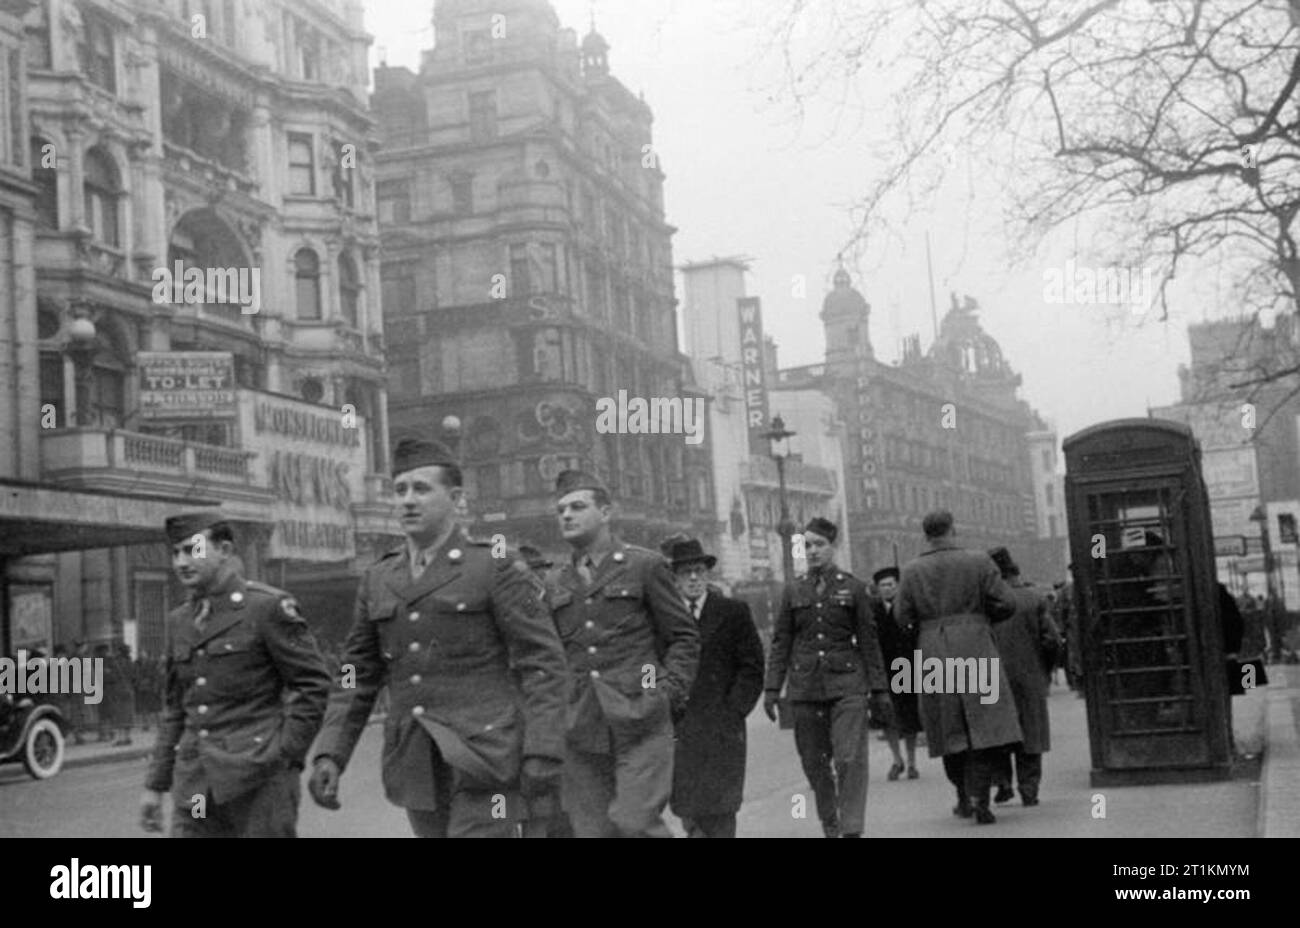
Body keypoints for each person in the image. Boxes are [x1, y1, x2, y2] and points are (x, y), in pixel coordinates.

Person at [309, 438, 568, 838]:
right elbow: (355, 675)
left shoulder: (495, 567)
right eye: (400, 491)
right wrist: (331, 752)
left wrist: (543, 749)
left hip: (488, 760)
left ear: (457, 498)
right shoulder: (379, 578)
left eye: (422, 489)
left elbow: (544, 663)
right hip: (416, 763)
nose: (408, 501)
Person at [140, 513, 332, 837]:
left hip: (258, 785)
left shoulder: (267, 608)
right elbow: (176, 709)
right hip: (197, 790)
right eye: (176, 553)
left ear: (225, 550)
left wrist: (286, 756)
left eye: (192, 550)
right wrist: (154, 785)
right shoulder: (179, 621)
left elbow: (313, 684)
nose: (181, 562)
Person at [545, 469, 699, 838]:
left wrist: (668, 690)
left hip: (641, 719)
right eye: (562, 509)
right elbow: (550, 653)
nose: (567, 515)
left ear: (606, 512)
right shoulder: (555, 581)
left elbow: (683, 636)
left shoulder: (643, 566)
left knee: (635, 822)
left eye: (578, 506)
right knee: (593, 831)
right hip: (580, 724)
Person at [763, 517, 893, 838]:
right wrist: (771, 687)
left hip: (847, 685)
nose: (812, 551)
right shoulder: (793, 590)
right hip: (805, 688)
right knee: (814, 762)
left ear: (832, 547)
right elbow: (781, 642)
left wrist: (879, 690)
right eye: (806, 545)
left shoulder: (854, 588)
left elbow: (868, 641)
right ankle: (830, 822)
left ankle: (850, 828)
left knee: (849, 758)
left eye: (819, 544)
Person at [894, 510, 1019, 825]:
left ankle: (963, 795)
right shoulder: (979, 562)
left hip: (934, 649)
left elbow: (901, 617)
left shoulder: (911, 571)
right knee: (982, 725)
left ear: (926, 535)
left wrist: (925, 631)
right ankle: (981, 798)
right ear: (953, 530)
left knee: (947, 726)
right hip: (975, 644)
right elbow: (1007, 603)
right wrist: (982, 619)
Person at [665, 537, 765, 838]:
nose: (693, 578)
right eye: (685, 573)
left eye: (698, 570)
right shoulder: (664, 617)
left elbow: (752, 667)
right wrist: (654, 695)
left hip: (722, 725)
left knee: (722, 809)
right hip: (678, 725)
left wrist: (734, 709)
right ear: (675, 579)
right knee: (688, 806)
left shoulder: (733, 612)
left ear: (707, 574)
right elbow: (647, 663)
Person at [987, 547, 1061, 807]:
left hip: (994, 679)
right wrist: (1045, 669)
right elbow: (1052, 640)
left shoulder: (986, 606)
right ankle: (1029, 789)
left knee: (999, 732)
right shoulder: (1034, 599)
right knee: (1031, 733)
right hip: (1030, 676)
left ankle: (1003, 782)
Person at [873, 566, 921, 780]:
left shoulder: (909, 608)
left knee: (909, 717)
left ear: (898, 586)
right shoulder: (872, 611)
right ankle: (896, 760)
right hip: (883, 671)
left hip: (906, 669)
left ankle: (911, 762)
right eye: (882, 585)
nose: (887, 589)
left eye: (891, 584)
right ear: (877, 589)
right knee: (888, 719)